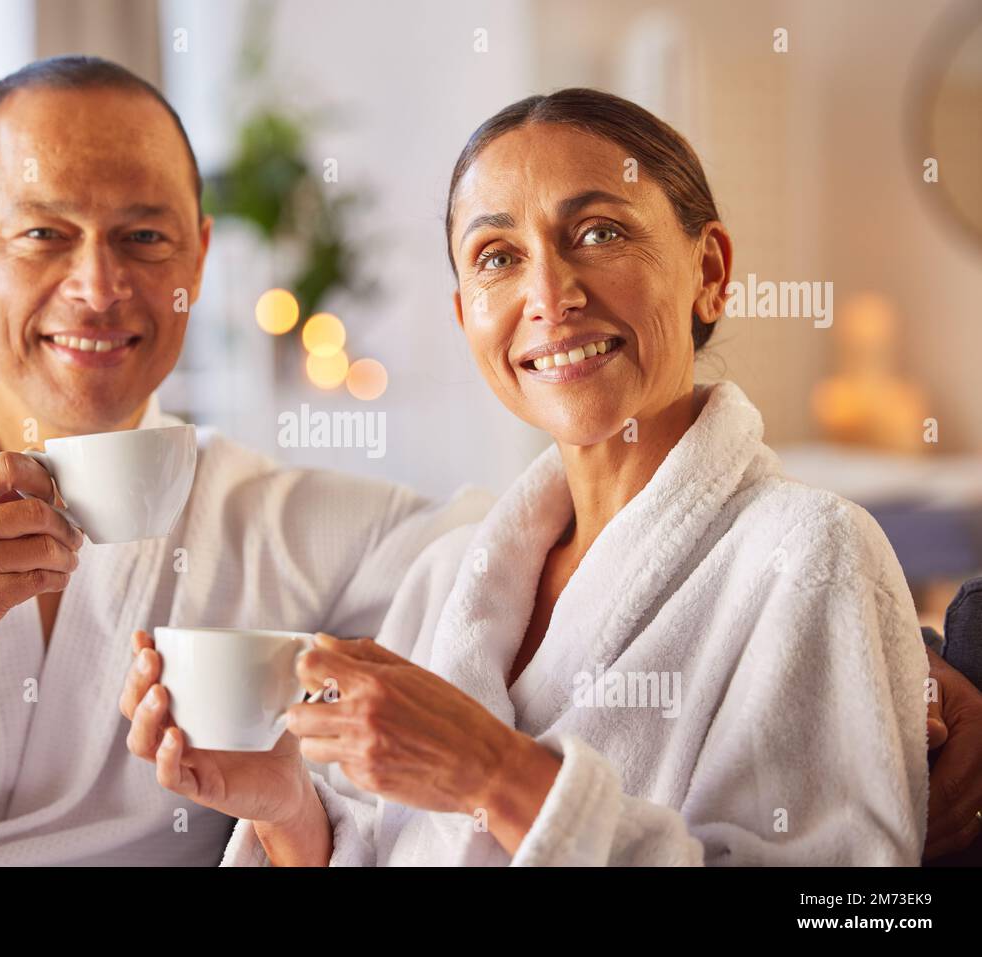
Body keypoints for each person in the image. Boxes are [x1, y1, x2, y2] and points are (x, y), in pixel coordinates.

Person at [124, 88, 981, 865]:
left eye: (599, 232)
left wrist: (499, 775)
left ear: (710, 273)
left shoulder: (810, 552)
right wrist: (283, 807)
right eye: (496, 256)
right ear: (467, 315)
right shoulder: (448, 575)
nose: (550, 292)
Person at [0, 56, 489, 866]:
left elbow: (517, 572)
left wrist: (292, 813)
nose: (99, 288)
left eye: (144, 237)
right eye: (43, 234)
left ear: (199, 257)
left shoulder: (308, 530)